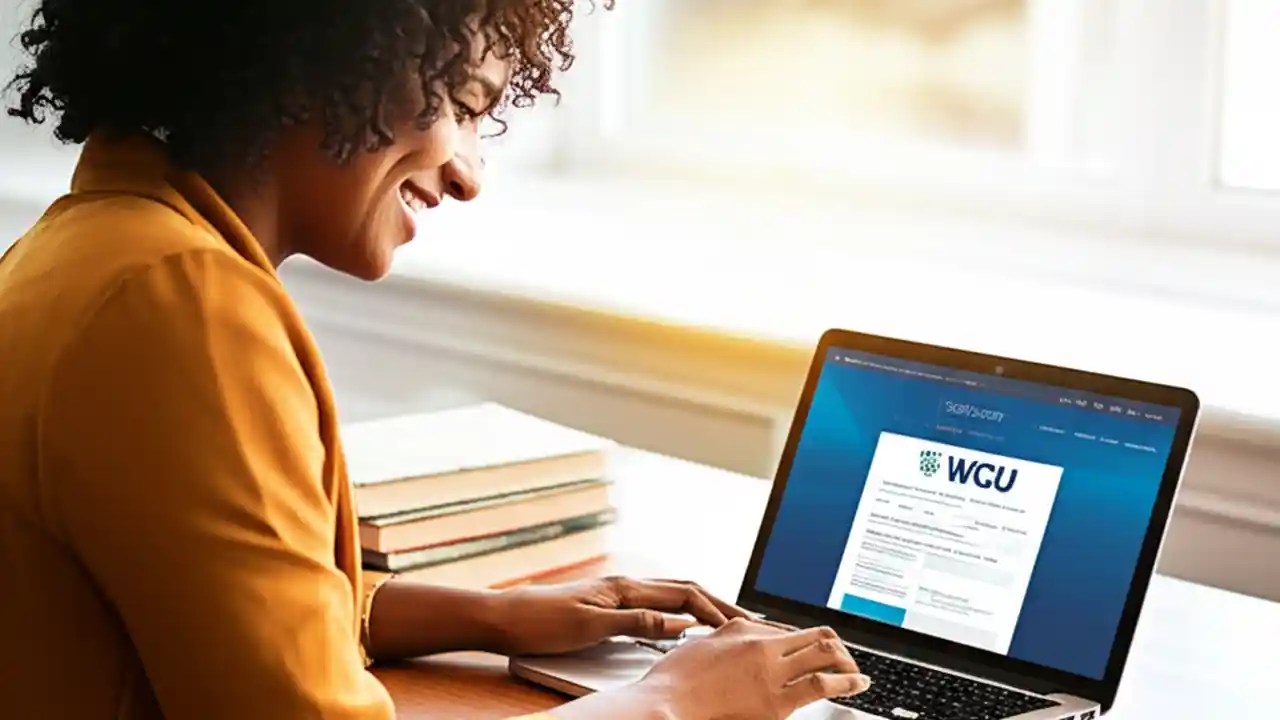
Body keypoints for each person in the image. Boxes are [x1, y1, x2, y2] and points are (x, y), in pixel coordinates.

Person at [0, 2, 871, 718]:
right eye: (461, 104)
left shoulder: (88, 249)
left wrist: (485, 614)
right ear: (324, 56)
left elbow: (189, 600)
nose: (468, 174)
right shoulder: (181, 304)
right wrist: (675, 702)